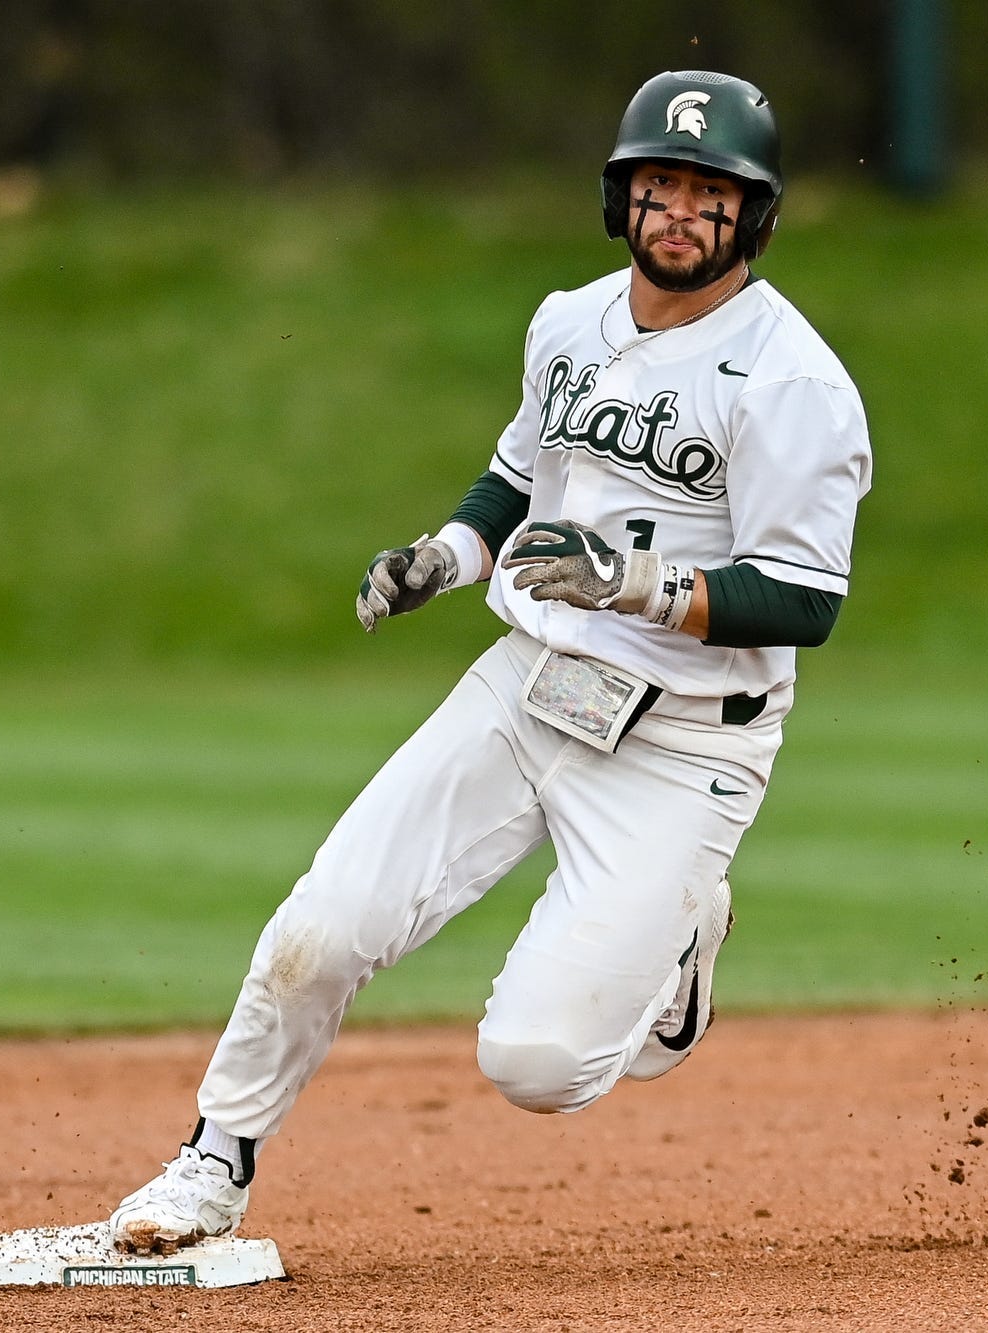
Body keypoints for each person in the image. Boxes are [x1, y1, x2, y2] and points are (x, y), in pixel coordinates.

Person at [109, 68, 873, 1255]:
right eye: (657, 184)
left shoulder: (793, 383)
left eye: (708, 192)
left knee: (539, 1065)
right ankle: (212, 1158)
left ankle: (677, 945)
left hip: (678, 739)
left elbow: (806, 599)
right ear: (620, 196)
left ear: (753, 217)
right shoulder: (568, 321)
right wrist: (446, 554)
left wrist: (639, 584)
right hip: (529, 686)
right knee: (322, 924)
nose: (679, 210)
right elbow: (521, 477)